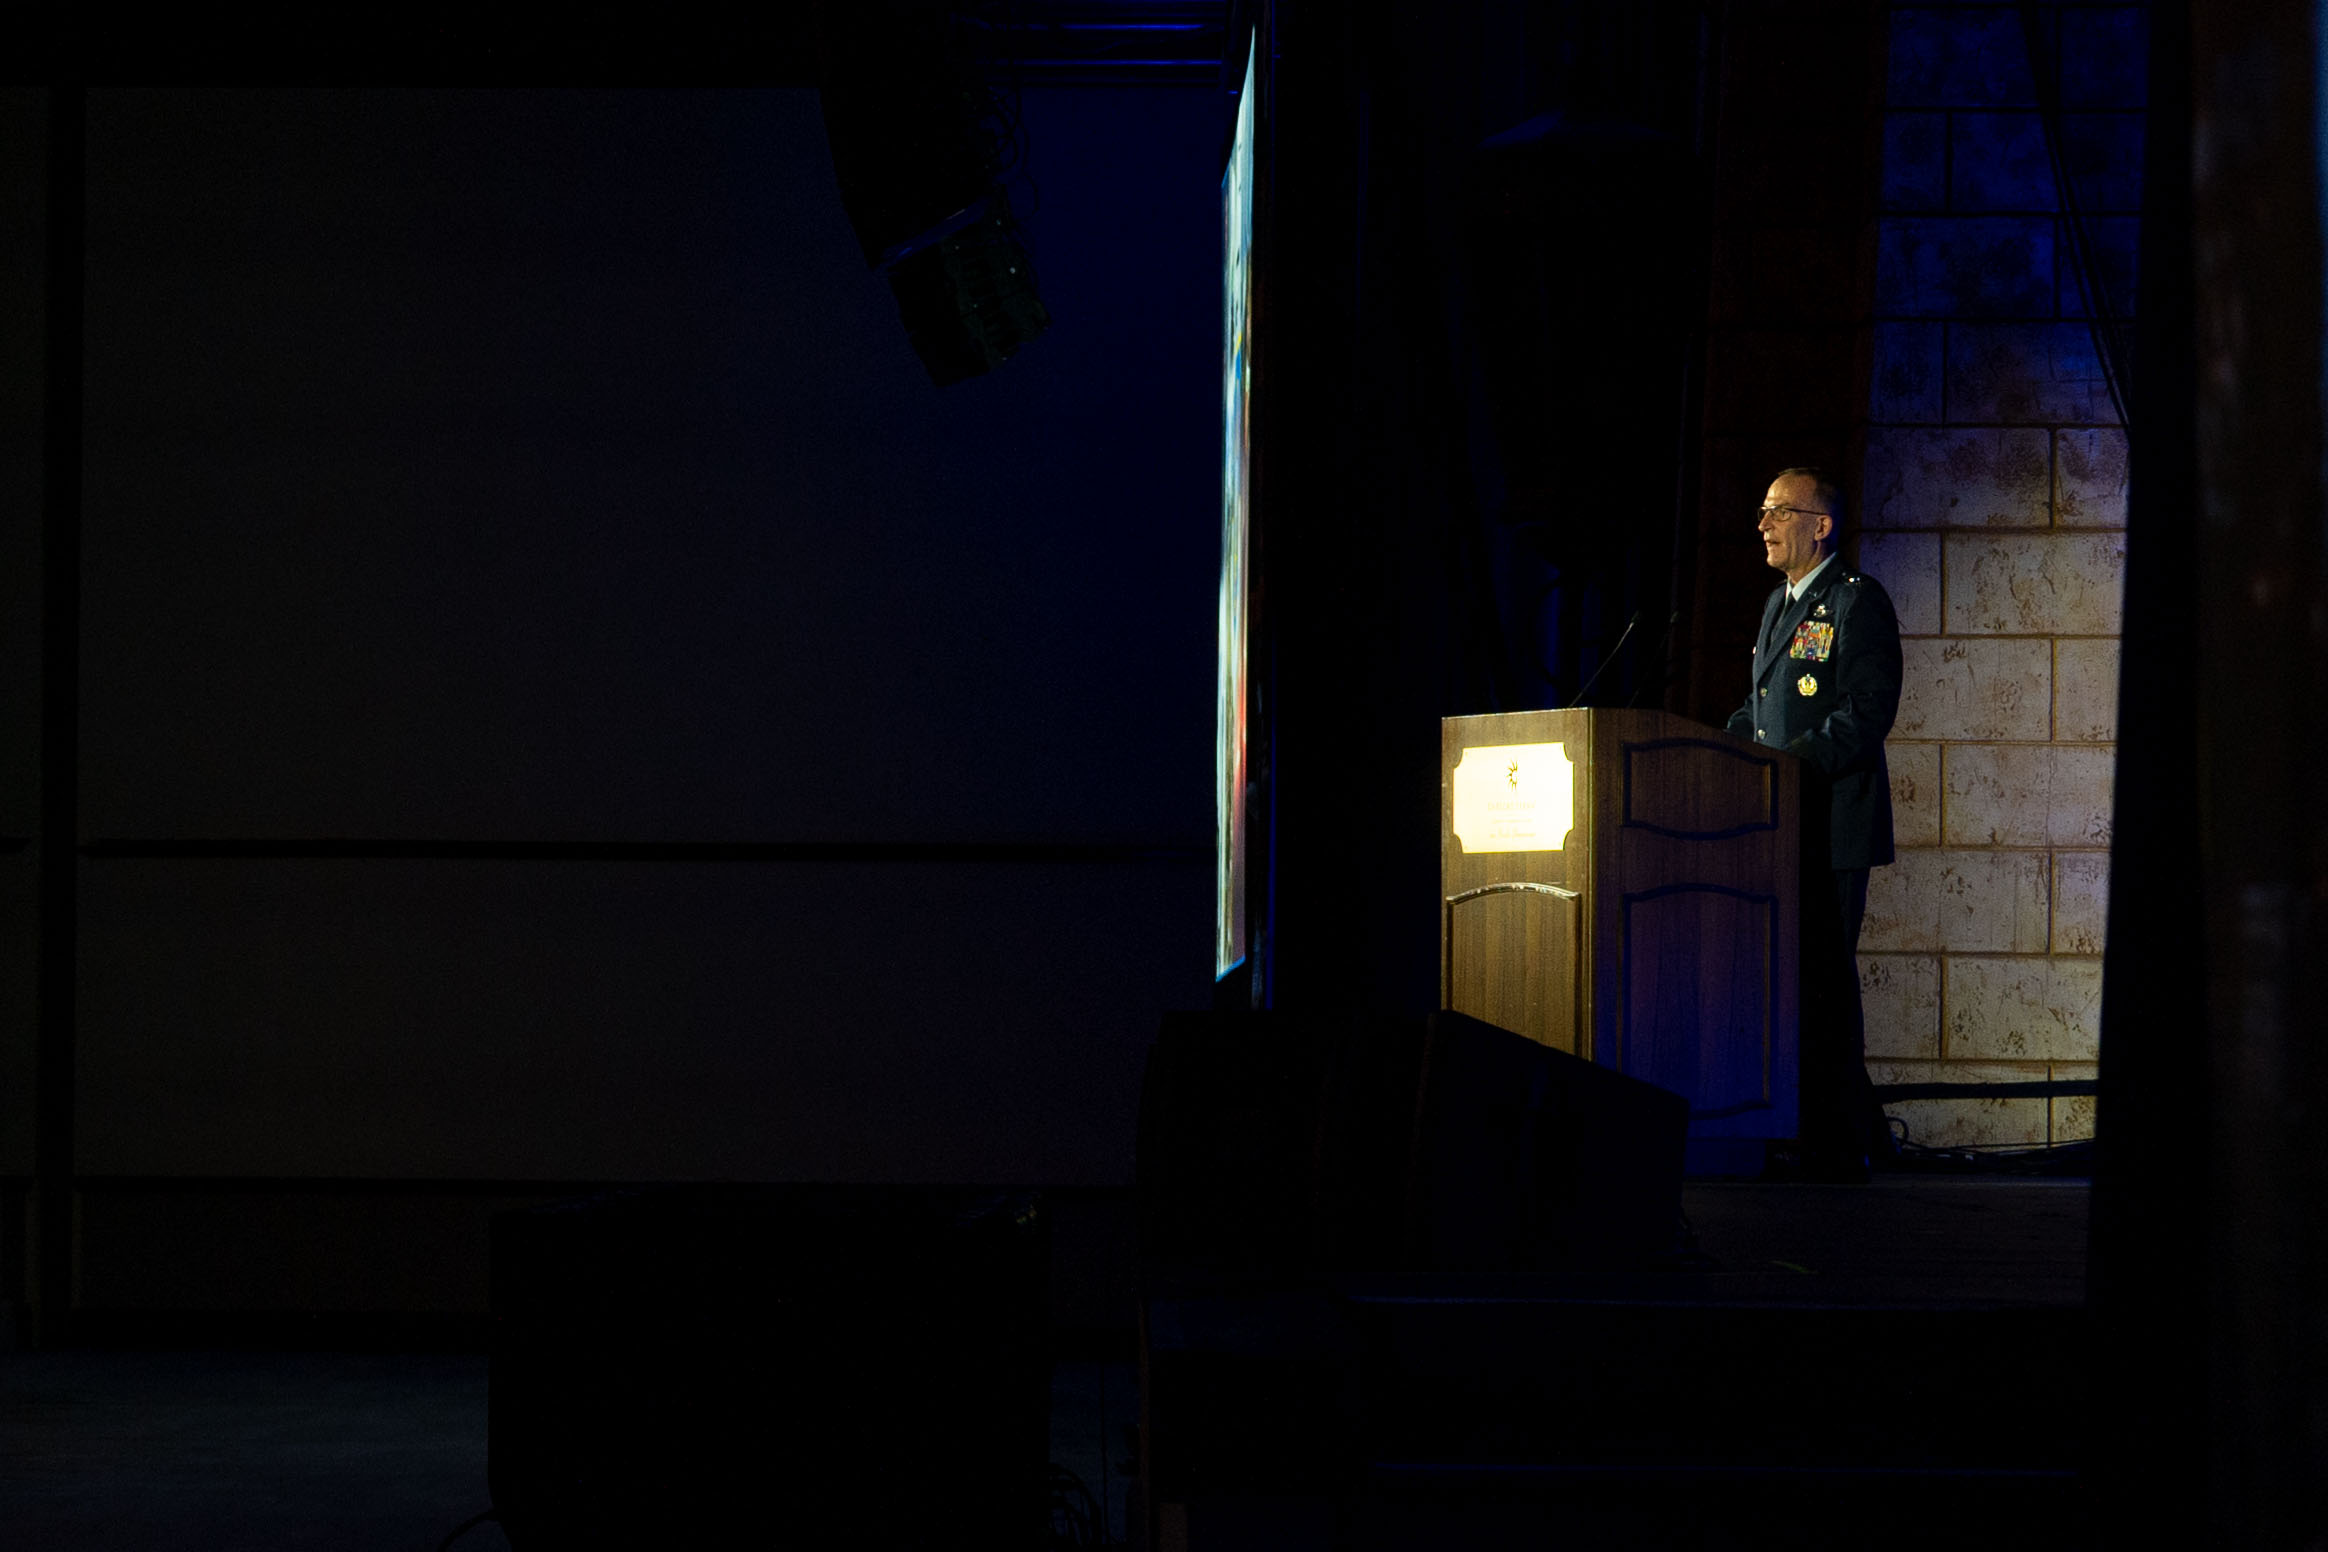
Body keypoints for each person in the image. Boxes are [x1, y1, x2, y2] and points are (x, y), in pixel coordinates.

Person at [1726, 467, 1902, 1176]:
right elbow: (1760, 710)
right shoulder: (1778, 606)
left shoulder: (1857, 603)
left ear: (1820, 524)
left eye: (1777, 511)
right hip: (1778, 823)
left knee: (1825, 980)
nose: (1763, 524)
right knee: (1788, 980)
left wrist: (1791, 766)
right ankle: (1819, 1128)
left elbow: (1866, 711)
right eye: (1763, 511)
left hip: (1830, 822)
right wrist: (1716, 750)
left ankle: (1839, 1140)